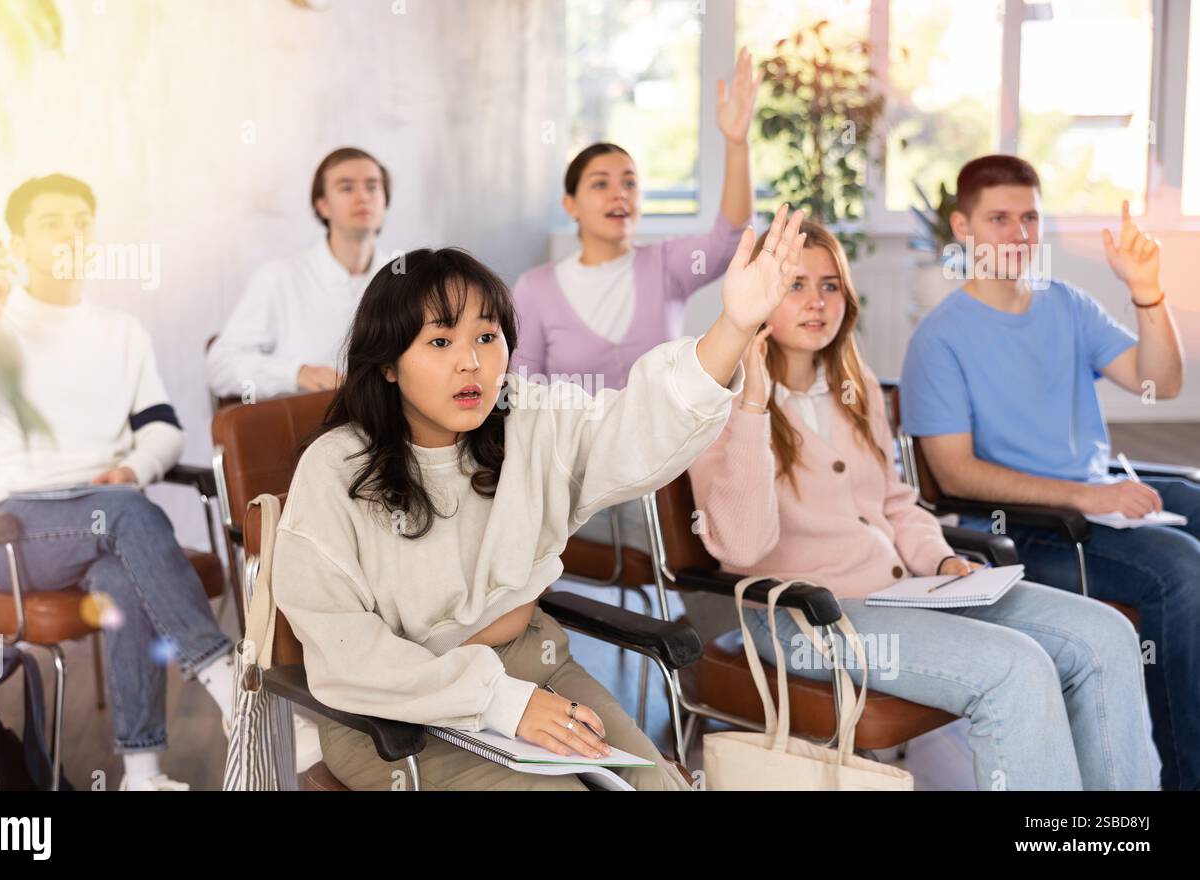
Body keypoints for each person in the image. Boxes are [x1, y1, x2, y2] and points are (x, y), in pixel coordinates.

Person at [270, 207, 808, 790]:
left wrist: (731, 325)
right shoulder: (337, 469)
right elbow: (347, 652)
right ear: (389, 363)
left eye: (486, 336)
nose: (470, 362)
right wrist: (502, 703)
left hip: (535, 665)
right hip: (394, 714)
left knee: (657, 786)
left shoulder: (527, 419)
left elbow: (634, 426)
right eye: (440, 341)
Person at [687, 221, 1155, 790]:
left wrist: (941, 562)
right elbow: (742, 544)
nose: (817, 301)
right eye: (795, 285)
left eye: (831, 285)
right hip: (802, 618)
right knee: (1015, 668)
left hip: (902, 592)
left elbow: (896, 503)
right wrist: (755, 408)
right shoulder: (720, 403)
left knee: (1106, 634)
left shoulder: (854, 389)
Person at [0, 174, 235, 791]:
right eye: (50, 223)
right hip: (11, 531)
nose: (70, 234)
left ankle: (143, 775)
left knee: (122, 570)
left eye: (80, 221)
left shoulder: (121, 332)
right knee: (127, 515)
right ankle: (230, 684)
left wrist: (135, 469)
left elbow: (164, 429)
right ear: (16, 242)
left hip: (105, 520)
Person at [899, 154, 1196, 790]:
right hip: (1022, 529)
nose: (1017, 234)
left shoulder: (1069, 305)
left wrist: (1148, 289)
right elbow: (954, 476)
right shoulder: (939, 338)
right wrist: (1088, 496)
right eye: (998, 218)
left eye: (1029, 217)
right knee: (1179, 568)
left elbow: (1161, 382)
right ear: (963, 227)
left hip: (1094, 503)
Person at [508, 48, 760, 567]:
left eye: (629, 183)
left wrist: (736, 143)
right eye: (600, 183)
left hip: (668, 465)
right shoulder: (534, 288)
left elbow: (731, 235)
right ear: (571, 205)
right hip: (587, 480)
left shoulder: (664, 265)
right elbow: (519, 396)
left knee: (730, 512)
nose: (619, 193)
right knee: (715, 533)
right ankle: (725, 620)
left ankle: (728, 622)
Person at [206, 147, 393, 402]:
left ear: (385, 200)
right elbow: (220, 366)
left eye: (372, 187)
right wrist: (296, 374)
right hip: (311, 432)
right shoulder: (278, 279)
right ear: (323, 206)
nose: (363, 197)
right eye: (347, 188)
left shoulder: (404, 279)